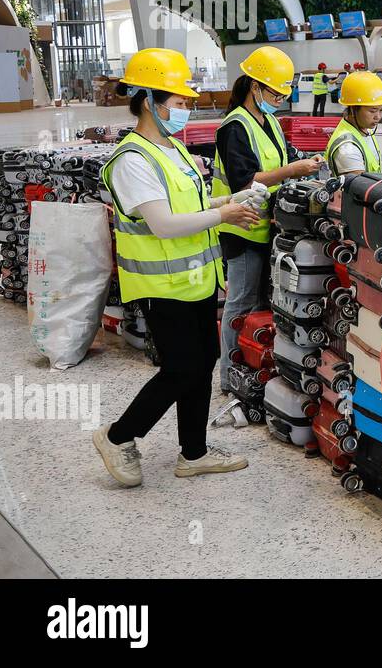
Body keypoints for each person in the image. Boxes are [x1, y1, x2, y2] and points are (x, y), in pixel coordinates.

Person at [93, 48, 262, 485]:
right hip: (161, 285)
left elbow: (194, 205)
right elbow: (164, 224)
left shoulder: (174, 150)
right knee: (181, 368)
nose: (186, 107)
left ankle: (194, 452)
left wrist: (232, 200)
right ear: (149, 100)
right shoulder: (133, 160)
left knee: (203, 360)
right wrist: (224, 215)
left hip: (196, 280)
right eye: (180, 100)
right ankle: (117, 437)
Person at [213, 45, 323, 394]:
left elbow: (283, 158)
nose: (278, 100)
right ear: (254, 86)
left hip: (268, 226)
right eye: (275, 93)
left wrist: (306, 163)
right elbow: (244, 182)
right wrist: (291, 170)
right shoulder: (234, 127)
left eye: (282, 95)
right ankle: (230, 375)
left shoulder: (269, 121)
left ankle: (254, 369)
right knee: (241, 301)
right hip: (241, 227)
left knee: (263, 303)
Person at [325, 71, 382, 176]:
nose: (378, 116)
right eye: (372, 111)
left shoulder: (364, 130)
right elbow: (360, 184)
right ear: (353, 110)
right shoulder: (347, 149)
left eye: (381, 110)